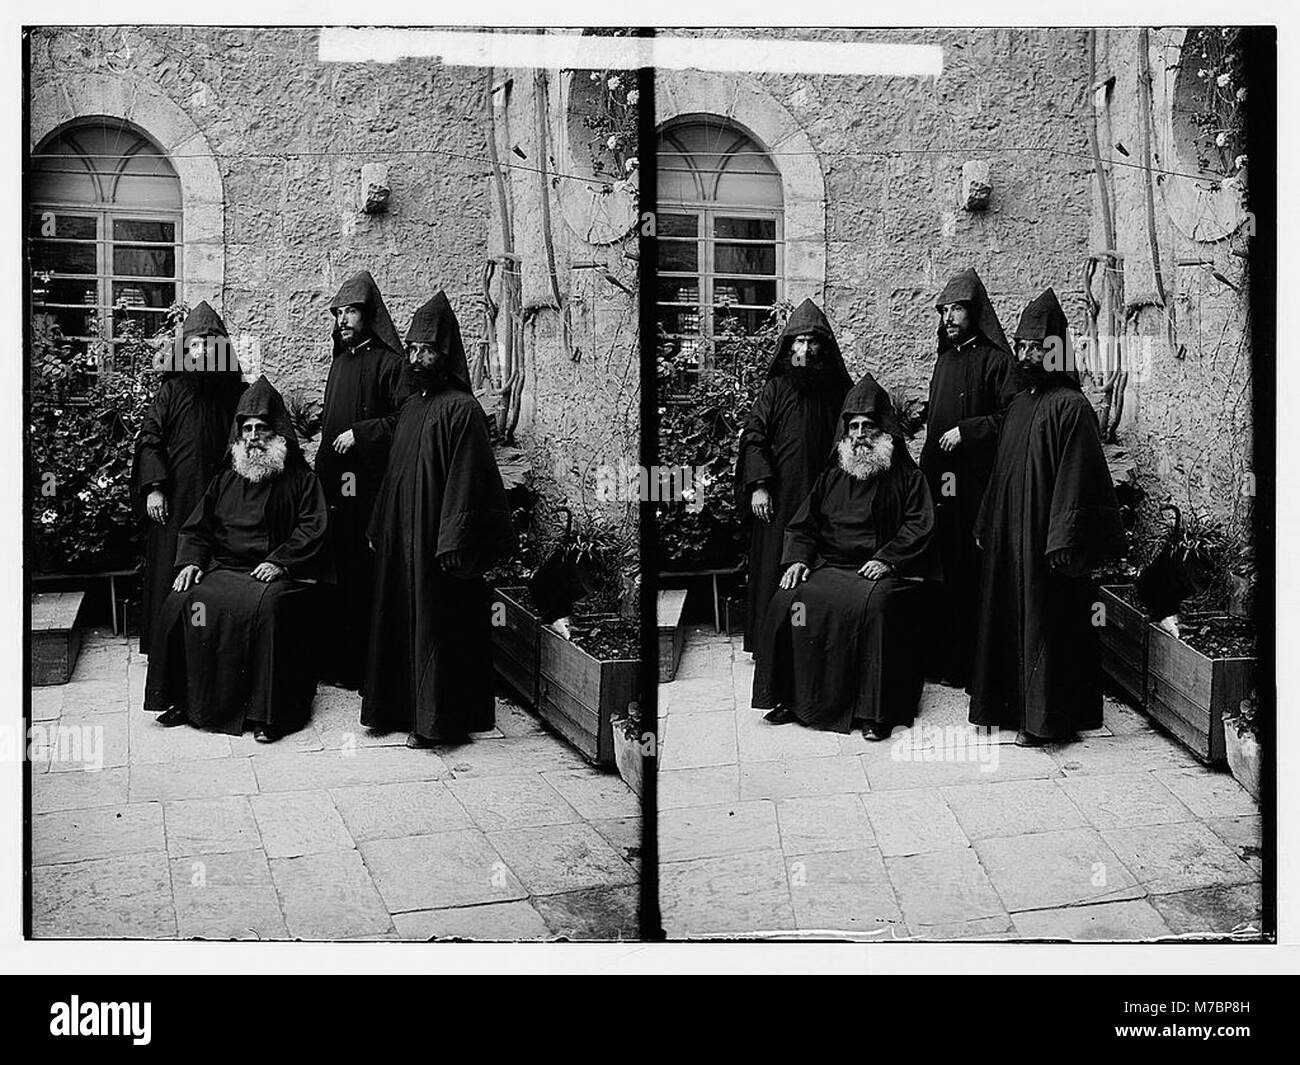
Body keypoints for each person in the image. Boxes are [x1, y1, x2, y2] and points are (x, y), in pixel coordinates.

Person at [968, 288, 1126, 746]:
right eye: (1021, 346)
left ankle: (1045, 721)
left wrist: (1064, 542)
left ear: (1056, 351)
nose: (1026, 354)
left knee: (1045, 627)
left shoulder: (1072, 407)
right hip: (1008, 538)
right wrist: (985, 525)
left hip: (1045, 545)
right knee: (1006, 622)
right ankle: (1005, 708)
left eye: (1036, 347)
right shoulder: (1018, 406)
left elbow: (1079, 480)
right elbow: (1002, 473)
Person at [361, 292, 516, 747]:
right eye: (411, 349)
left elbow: (469, 480)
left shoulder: (462, 409)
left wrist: (453, 542)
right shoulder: (411, 407)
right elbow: (395, 473)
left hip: (435, 544)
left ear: (444, 354)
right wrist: (378, 528)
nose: (417, 357)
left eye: (426, 350)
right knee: (397, 623)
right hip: (399, 539)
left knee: (436, 628)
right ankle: (394, 709)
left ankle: (436, 723)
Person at [143, 376, 334, 742]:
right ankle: (187, 700)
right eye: (246, 428)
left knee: (266, 611)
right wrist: (192, 562)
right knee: (184, 600)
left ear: (277, 432)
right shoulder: (226, 479)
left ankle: (269, 713)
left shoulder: (300, 480)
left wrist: (280, 561)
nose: (252, 437)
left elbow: (313, 529)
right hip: (225, 569)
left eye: (261, 428)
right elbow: (197, 527)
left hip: (277, 575)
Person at [751, 374, 941, 738]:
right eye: (852, 426)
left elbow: (920, 526)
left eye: (868, 426)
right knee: (789, 599)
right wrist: (798, 560)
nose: (859, 435)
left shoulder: (907, 478)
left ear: (884, 429)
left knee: (873, 609)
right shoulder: (831, 476)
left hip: (883, 572)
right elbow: (803, 524)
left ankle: (874, 712)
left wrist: (888, 558)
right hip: (828, 566)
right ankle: (792, 698)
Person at [735, 299, 852, 655]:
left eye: (810, 341)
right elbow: (754, 437)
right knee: (774, 566)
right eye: (797, 342)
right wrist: (758, 486)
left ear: (822, 346)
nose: (803, 348)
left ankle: (809, 643)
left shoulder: (838, 392)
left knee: (817, 567)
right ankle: (770, 645)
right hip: (780, 498)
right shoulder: (775, 389)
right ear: (789, 348)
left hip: (822, 498)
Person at [919, 267, 1017, 688]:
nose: (949, 318)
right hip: (943, 489)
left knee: (976, 576)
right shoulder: (944, 361)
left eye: (957, 309)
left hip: (978, 487)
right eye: (945, 311)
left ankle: (976, 669)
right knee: (944, 573)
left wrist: (970, 430)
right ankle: (944, 661)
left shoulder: (998, 362)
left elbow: (1013, 417)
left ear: (975, 313)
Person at [315, 269, 411, 689]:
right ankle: (338, 665)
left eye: (351, 312)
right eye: (338, 314)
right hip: (337, 492)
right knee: (338, 576)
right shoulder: (340, 363)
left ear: (369, 315)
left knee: (368, 578)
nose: (343, 321)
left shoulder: (391, 364)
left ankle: (368, 672)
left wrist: (363, 433)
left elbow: (406, 419)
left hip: (370, 492)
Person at [132, 301, 246, 655]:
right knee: (171, 567)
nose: (201, 350)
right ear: (185, 349)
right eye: (194, 344)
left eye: (209, 343)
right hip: (176, 498)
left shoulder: (234, 394)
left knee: (214, 570)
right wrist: (154, 488)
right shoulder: (171, 390)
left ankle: (206, 644)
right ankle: (166, 647)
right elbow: (150, 439)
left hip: (218, 500)